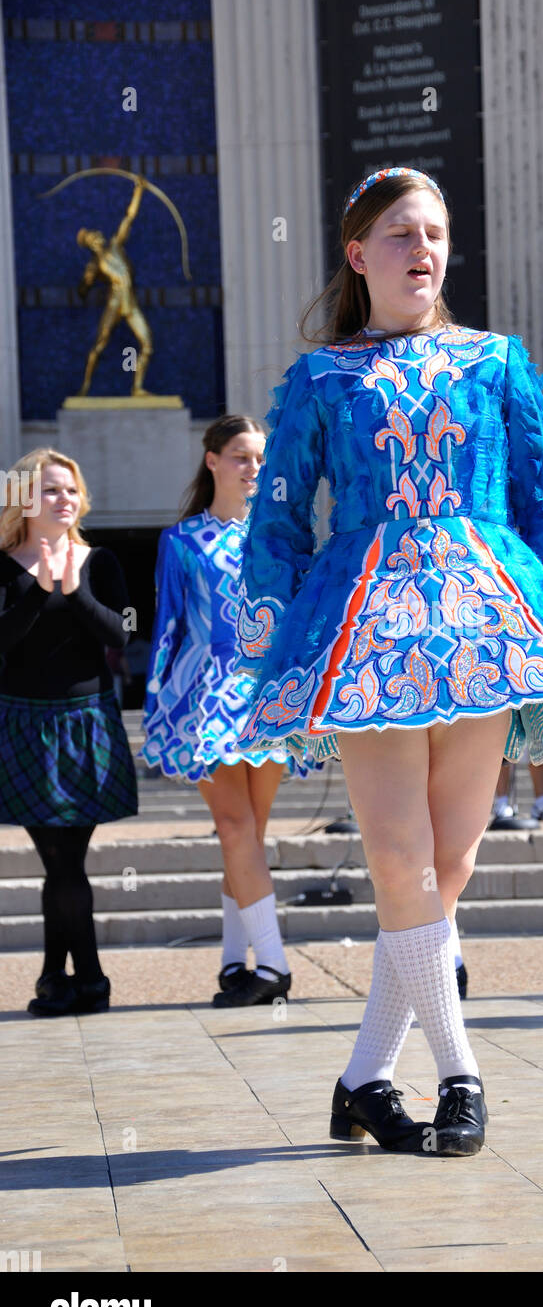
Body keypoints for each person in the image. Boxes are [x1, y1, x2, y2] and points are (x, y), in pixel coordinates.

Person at [225, 166, 543, 1155]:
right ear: (357, 253)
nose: (424, 251)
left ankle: (363, 1078)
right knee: (399, 859)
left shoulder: (495, 362)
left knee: (448, 864)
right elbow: (276, 515)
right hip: (366, 630)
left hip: (486, 621)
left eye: (436, 233)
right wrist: (269, 617)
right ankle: (461, 1076)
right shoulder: (321, 377)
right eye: (401, 234)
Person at [141, 416, 292, 1008]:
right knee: (234, 828)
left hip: (266, 695)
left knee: (248, 836)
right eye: (239, 456)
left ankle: (235, 959)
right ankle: (274, 968)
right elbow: (167, 630)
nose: (252, 468)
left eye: (259, 458)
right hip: (204, 694)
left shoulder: (278, 537)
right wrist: (158, 707)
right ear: (212, 462)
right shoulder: (180, 541)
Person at [0, 449, 138, 1016]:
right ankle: (82, 979)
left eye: (70, 490)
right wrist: (38, 587)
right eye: (51, 489)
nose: (63, 499)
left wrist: (73, 588)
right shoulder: (4, 563)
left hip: (86, 724)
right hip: (24, 723)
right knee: (59, 862)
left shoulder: (100, 560)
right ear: (25, 499)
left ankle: (66, 979)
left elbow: (121, 633)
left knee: (65, 863)